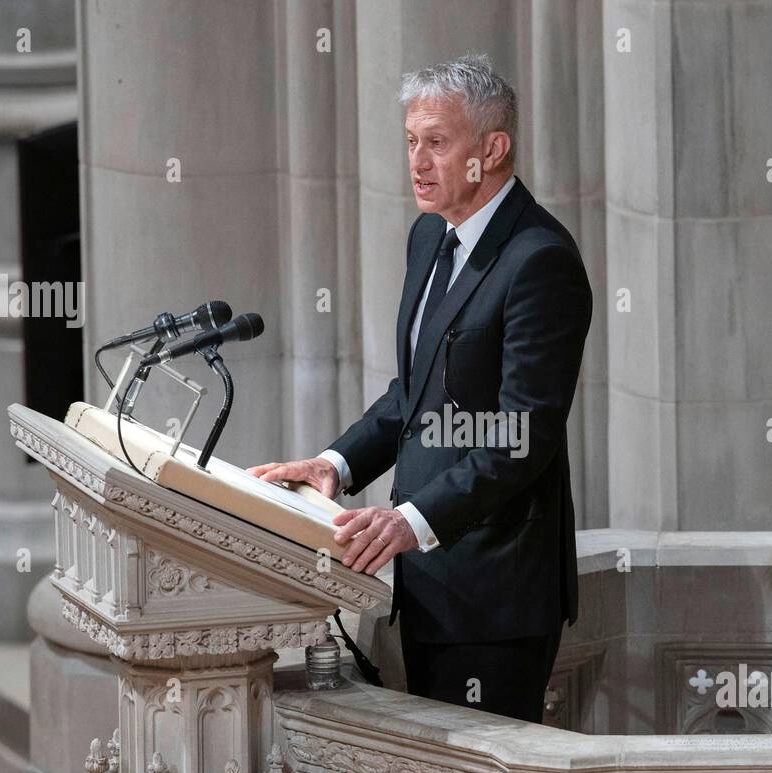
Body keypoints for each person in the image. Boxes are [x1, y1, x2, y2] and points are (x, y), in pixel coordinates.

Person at [248, 54, 592, 723]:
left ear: (492, 150)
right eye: (411, 142)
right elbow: (416, 392)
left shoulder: (540, 261)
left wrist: (410, 521)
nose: (417, 161)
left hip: (495, 601)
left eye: (437, 142)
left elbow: (525, 437)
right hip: (427, 584)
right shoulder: (429, 235)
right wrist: (337, 463)